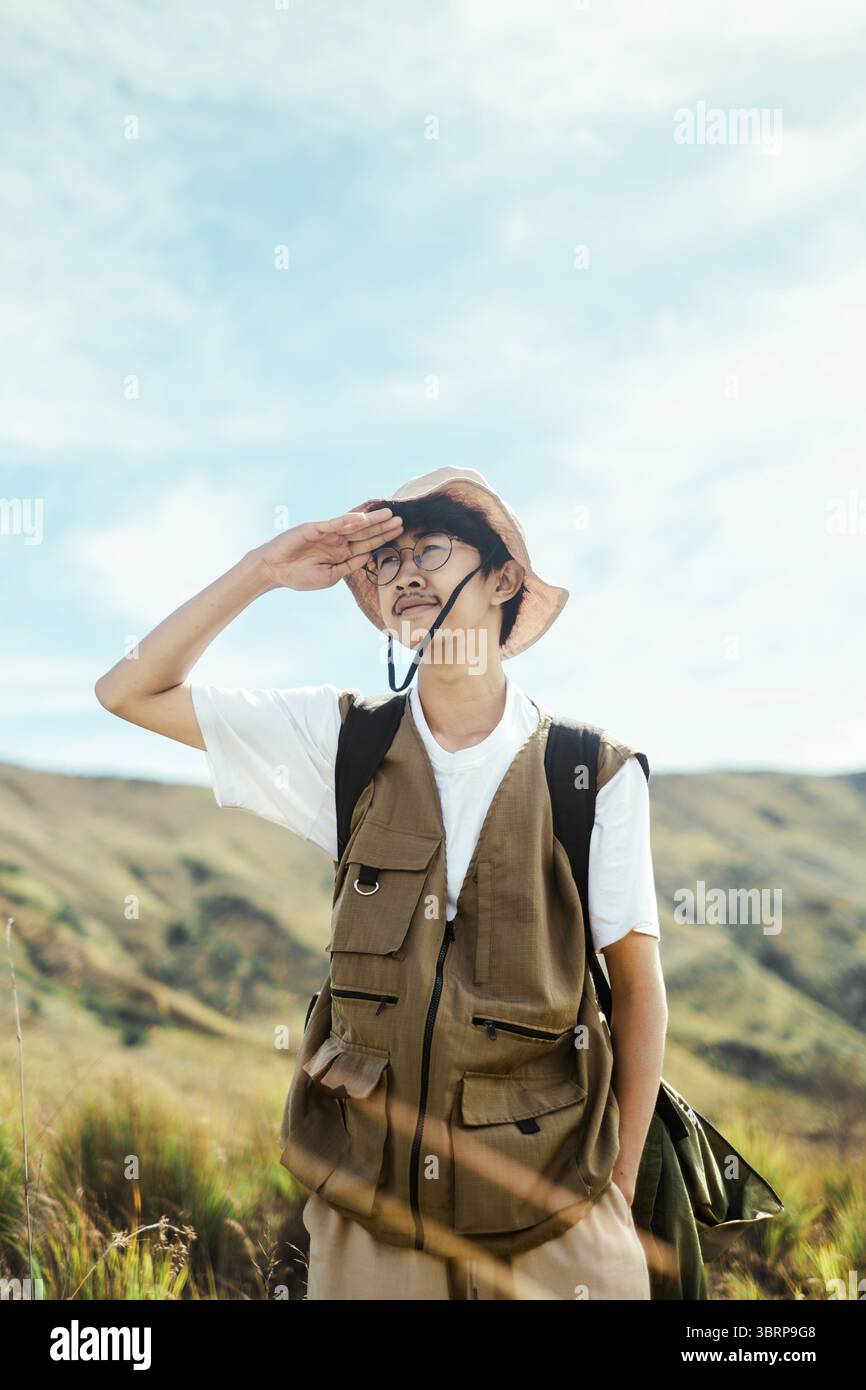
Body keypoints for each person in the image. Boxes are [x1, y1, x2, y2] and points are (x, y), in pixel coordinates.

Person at [94, 466, 668, 1300]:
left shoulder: (594, 773)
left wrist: (613, 1189)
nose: (402, 573)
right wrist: (263, 568)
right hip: (373, 1224)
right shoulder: (342, 743)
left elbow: (641, 991)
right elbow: (128, 691)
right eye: (385, 562)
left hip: (557, 1219)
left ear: (504, 577)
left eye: (429, 550)